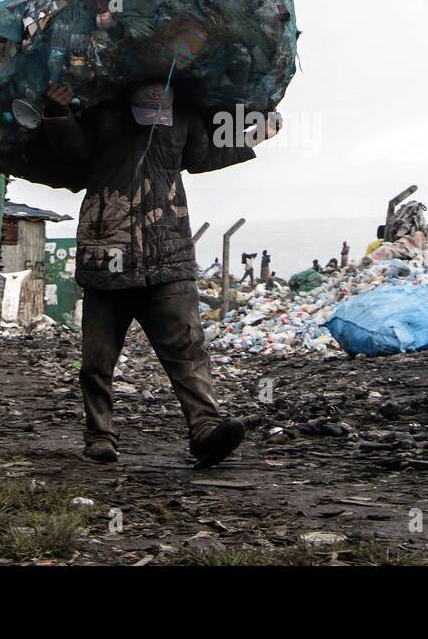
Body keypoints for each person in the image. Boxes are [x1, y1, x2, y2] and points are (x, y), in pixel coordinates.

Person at [43, 79, 279, 467]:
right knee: (97, 362)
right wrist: (58, 113)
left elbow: (206, 155)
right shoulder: (103, 114)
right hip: (108, 258)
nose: (154, 119)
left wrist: (255, 135)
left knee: (188, 352)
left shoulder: (184, 119)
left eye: (160, 114)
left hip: (168, 255)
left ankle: (205, 430)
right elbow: (74, 154)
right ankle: (100, 435)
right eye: (145, 112)